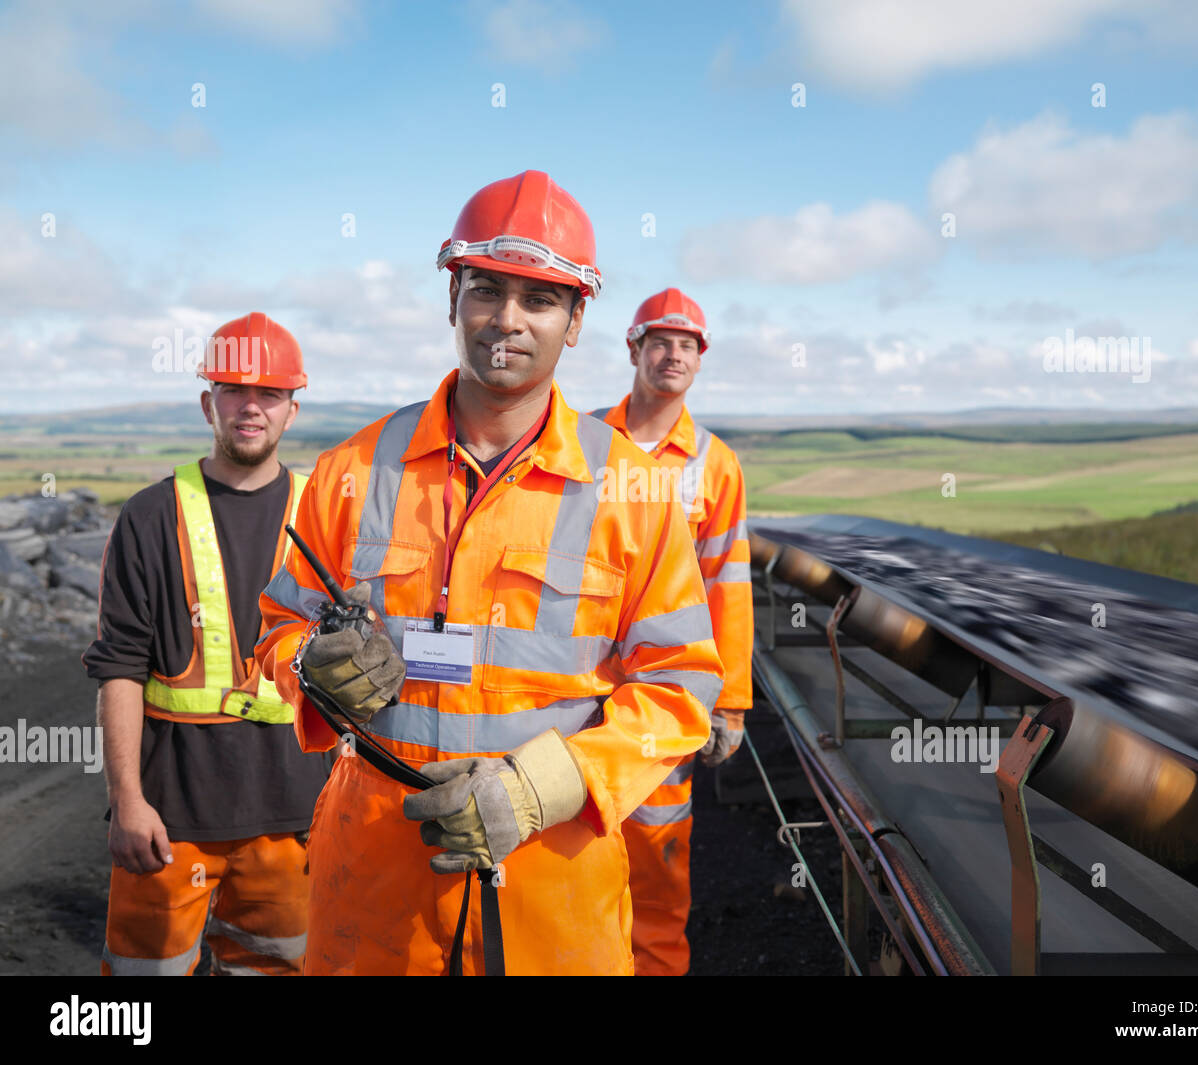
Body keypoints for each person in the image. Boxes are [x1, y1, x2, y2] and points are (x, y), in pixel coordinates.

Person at [256, 170, 724, 976]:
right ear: (452, 300)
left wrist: (541, 787)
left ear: (576, 321)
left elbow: (681, 688)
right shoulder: (350, 470)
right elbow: (277, 632)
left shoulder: (634, 492)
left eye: (540, 299)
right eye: (485, 289)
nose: (507, 319)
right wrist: (310, 667)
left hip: (554, 883)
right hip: (373, 884)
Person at [84, 313, 330, 975]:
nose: (250, 405)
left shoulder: (323, 516)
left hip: (296, 819)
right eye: (232, 389)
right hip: (169, 822)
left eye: (269, 393)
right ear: (207, 402)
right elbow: (121, 669)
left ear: (291, 408)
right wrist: (128, 801)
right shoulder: (148, 514)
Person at [592, 287, 752, 975]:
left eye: (687, 346)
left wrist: (732, 701)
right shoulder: (584, 441)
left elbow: (729, 586)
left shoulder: (713, 464)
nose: (674, 355)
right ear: (634, 349)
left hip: (666, 696)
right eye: (661, 342)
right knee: (575, 855)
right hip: (580, 686)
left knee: (657, 863)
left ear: (699, 360)